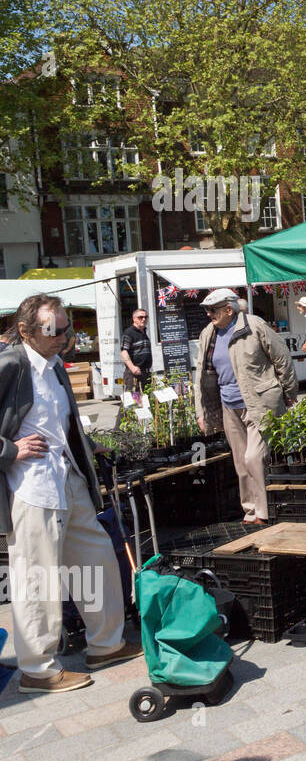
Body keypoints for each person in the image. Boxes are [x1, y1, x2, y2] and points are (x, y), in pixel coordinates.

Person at [0, 294, 142, 693]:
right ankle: (38, 670)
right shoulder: (10, 364)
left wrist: (87, 445)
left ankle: (105, 644)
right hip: (29, 487)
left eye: (67, 328)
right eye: (55, 330)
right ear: (26, 331)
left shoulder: (55, 368)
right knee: (37, 577)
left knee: (95, 558)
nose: (64, 336)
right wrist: (10, 451)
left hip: (68, 477)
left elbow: (58, 421)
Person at [194, 288, 298, 525]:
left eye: (212, 310)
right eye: (207, 310)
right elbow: (200, 374)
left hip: (259, 403)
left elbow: (282, 358)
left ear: (228, 309)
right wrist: (202, 412)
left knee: (254, 457)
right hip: (228, 405)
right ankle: (250, 510)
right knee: (240, 461)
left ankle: (263, 512)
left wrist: (290, 393)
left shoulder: (254, 326)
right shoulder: (208, 334)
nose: (208, 314)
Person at [119, 308, 152, 394]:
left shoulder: (144, 332)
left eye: (146, 317)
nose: (144, 319)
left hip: (145, 373)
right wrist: (132, 367)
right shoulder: (129, 333)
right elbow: (124, 351)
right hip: (134, 374)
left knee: (146, 401)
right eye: (140, 317)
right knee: (134, 401)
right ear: (134, 318)